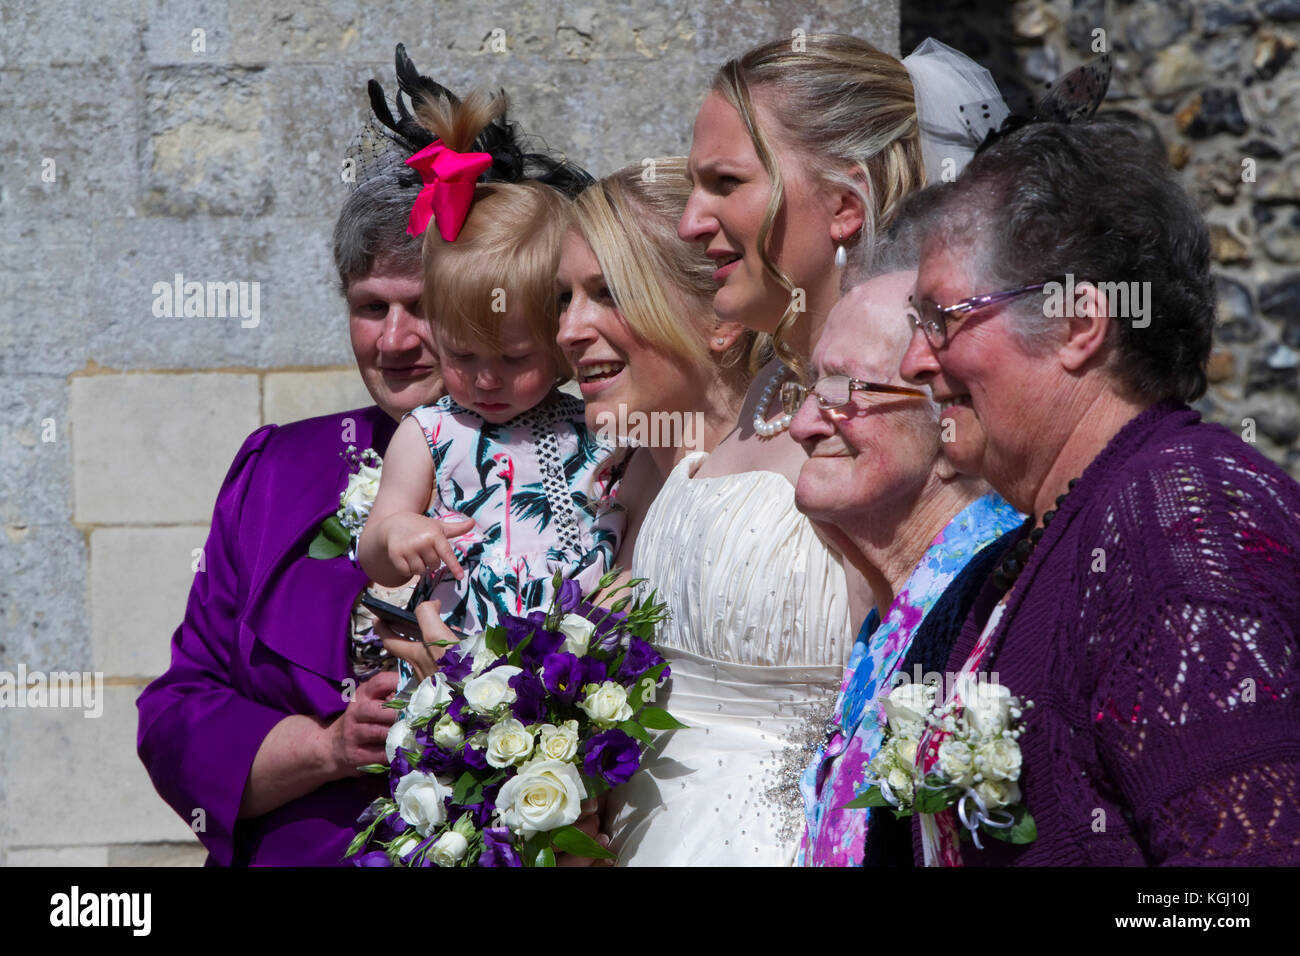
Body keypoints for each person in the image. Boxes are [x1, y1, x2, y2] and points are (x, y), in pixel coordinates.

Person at [136, 50, 593, 866]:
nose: (392, 342)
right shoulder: (278, 469)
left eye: (420, 309)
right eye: (368, 307)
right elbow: (177, 712)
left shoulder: (578, 457)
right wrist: (329, 747)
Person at [604, 34, 1002, 864]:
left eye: (727, 184)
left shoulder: (905, 403)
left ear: (843, 208)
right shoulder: (765, 387)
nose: (689, 222)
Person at [898, 118, 1300, 865]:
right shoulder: (1057, 532)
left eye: (942, 319)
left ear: (1079, 322)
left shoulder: (1182, 516)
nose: (913, 360)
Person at [788, 218, 1022, 867]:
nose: (804, 425)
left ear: (950, 414)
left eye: (845, 390)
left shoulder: (999, 608)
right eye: (811, 388)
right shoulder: (888, 622)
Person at [358, 88, 621, 641]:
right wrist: (396, 535)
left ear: (562, 340)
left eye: (513, 358)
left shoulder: (596, 426)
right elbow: (375, 548)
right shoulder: (430, 432)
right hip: (467, 659)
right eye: (461, 354)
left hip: (582, 653)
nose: (484, 378)